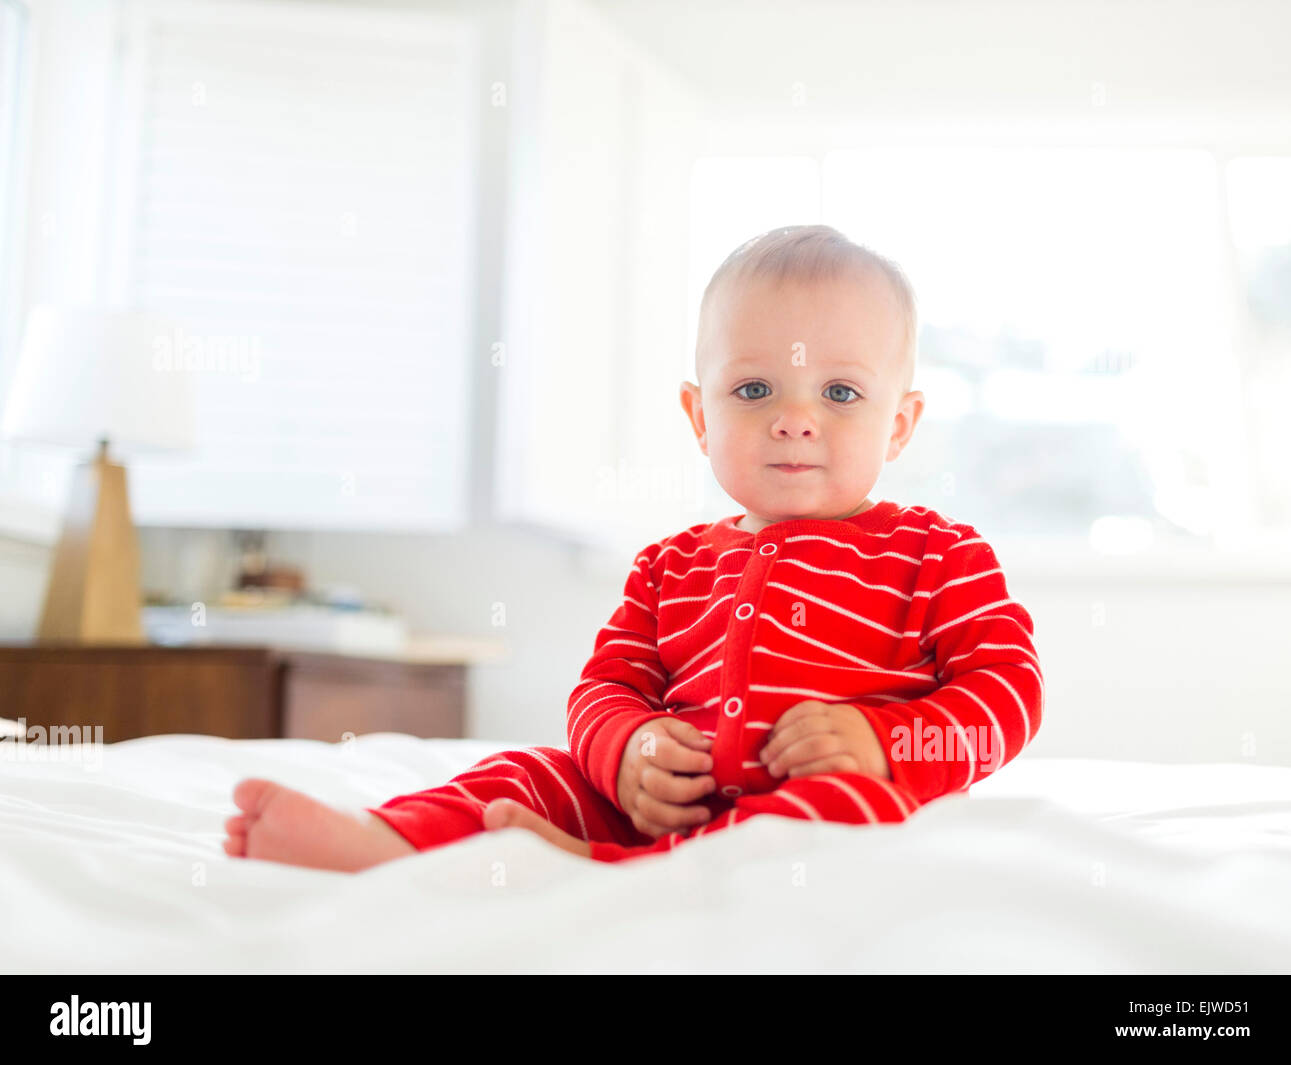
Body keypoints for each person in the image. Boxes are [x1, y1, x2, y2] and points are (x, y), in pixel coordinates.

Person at [222, 223, 1043, 870]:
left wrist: (890, 744)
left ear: (898, 423)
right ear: (699, 416)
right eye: (753, 389)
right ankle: (387, 842)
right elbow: (604, 689)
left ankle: (615, 874)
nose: (796, 418)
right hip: (666, 805)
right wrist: (627, 751)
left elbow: (1010, 689)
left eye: (840, 391)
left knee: (846, 815)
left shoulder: (936, 552)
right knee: (532, 772)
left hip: (818, 806)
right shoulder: (669, 566)